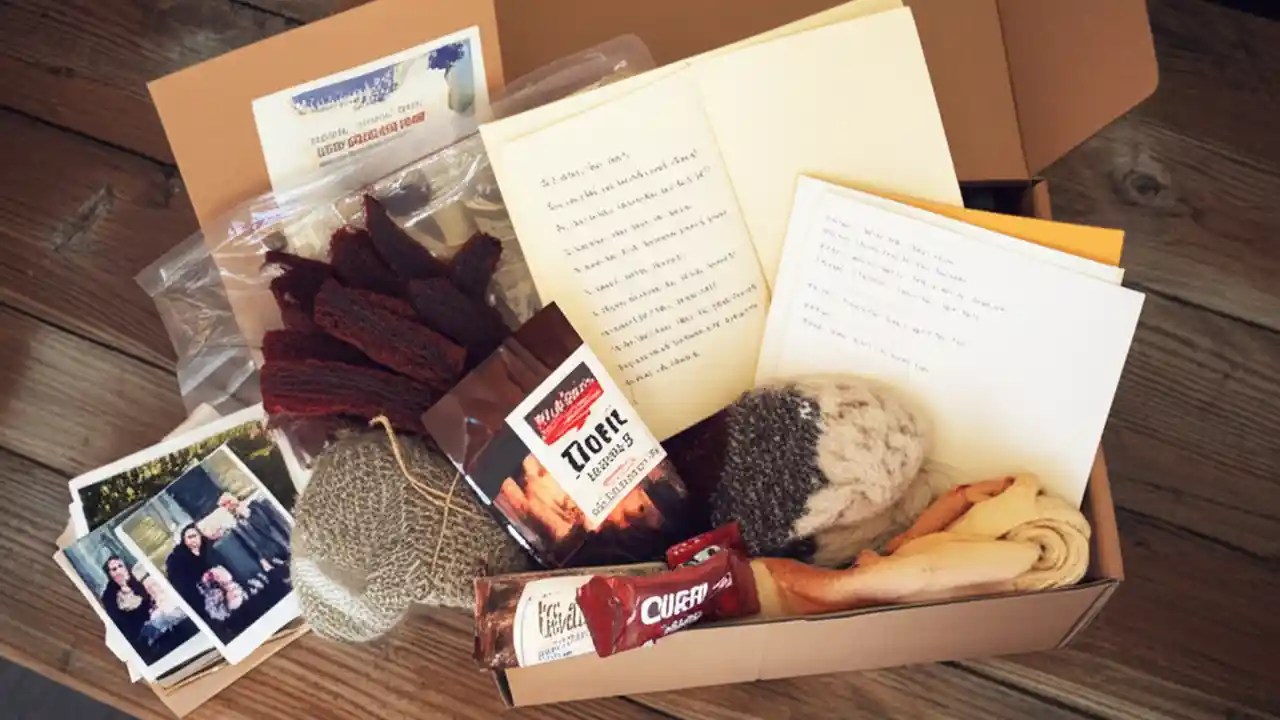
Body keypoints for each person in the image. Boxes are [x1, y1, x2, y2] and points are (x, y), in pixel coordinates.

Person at [165, 524, 241, 636]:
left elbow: (228, 567)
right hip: (203, 602)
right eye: (189, 537)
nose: (193, 540)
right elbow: (182, 586)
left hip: (228, 593)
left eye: (195, 536)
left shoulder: (210, 551)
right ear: (184, 540)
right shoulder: (178, 560)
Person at [99, 555, 153, 651]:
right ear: (109, 574)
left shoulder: (134, 581)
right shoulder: (109, 596)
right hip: (136, 634)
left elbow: (147, 600)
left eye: (120, 566)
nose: (119, 571)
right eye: (114, 569)